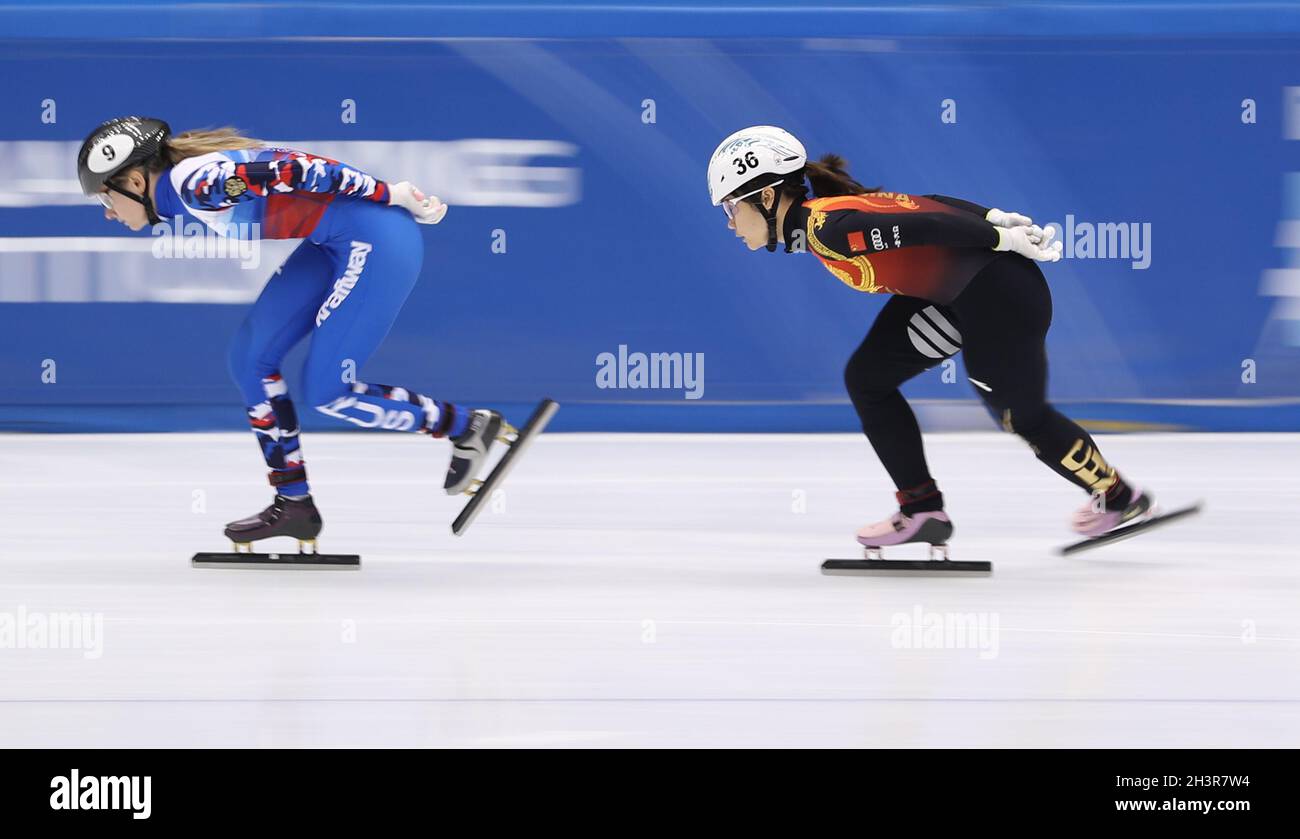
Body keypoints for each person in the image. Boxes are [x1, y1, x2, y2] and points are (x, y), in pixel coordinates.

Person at [706, 125, 1153, 551]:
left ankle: (1117, 496)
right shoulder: (826, 216)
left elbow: (929, 225)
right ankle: (922, 511)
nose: (730, 222)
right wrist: (993, 216)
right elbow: (925, 204)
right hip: (956, 297)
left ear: (766, 196)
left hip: (1001, 302)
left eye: (731, 207)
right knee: (867, 379)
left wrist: (998, 235)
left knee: (1024, 419)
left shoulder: (829, 230)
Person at [78, 116, 507, 551]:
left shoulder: (195, 185)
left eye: (105, 200)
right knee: (250, 359)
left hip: (376, 240)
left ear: (134, 180)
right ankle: (294, 503)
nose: (109, 213)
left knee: (328, 391)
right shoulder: (186, 184)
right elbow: (287, 166)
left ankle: (465, 426)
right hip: (333, 241)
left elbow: (297, 169)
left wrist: (387, 193)